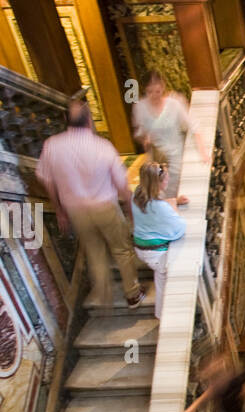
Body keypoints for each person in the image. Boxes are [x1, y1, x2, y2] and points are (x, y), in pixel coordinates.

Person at [37, 98, 145, 309]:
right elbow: (122, 184)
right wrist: (130, 210)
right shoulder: (102, 146)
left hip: (75, 210)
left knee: (94, 250)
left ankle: (103, 297)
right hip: (105, 206)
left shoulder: (51, 145)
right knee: (121, 250)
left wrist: (59, 210)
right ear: (89, 121)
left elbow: (46, 180)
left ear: (66, 119)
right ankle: (132, 293)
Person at [131, 70, 208, 200]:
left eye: (157, 91)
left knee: (176, 193)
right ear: (145, 90)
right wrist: (145, 139)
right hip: (156, 159)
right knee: (157, 194)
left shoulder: (174, 104)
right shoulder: (140, 107)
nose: (154, 95)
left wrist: (203, 152)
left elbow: (194, 126)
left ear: (163, 87)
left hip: (175, 158)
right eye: (150, 92)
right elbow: (139, 134)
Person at [131, 159, 186, 320]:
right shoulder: (159, 207)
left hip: (141, 247)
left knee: (161, 280)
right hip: (156, 253)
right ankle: (168, 317)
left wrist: (173, 201)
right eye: (166, 178)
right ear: (158, 182)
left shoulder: (137, 194)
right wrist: (174, 207)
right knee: (164, 282)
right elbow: (178, 230)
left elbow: (153, 212)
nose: (168, 180)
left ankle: (161, 314)